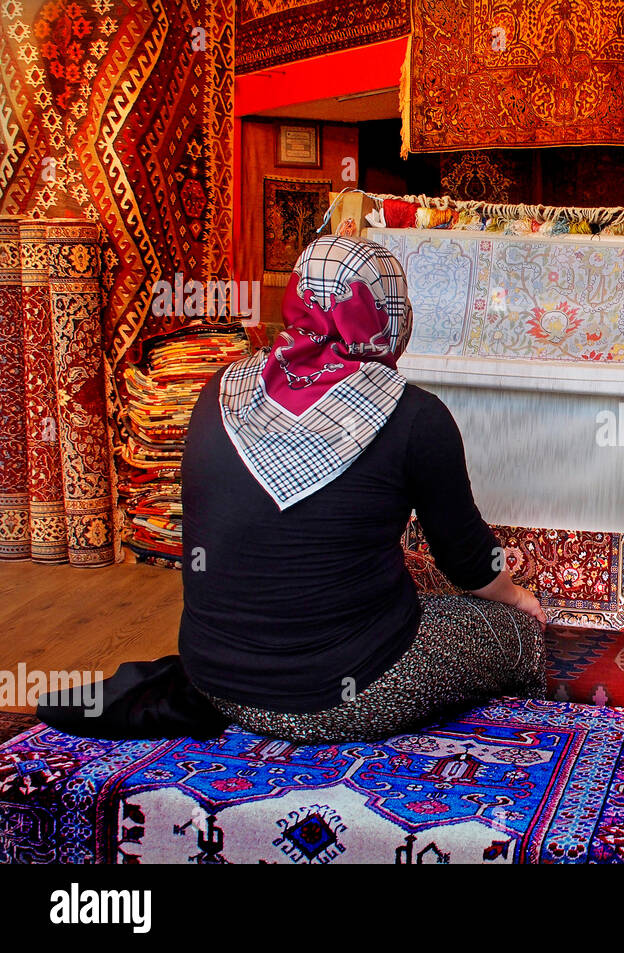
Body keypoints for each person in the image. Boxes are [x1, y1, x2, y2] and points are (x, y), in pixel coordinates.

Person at [177, 235, 546, 743]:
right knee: (512, 633)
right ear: (386, 316)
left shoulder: (220, 391)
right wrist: (517, 598)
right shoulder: (414, 415)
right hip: (345, 697)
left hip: (214, 681)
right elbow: (467, 562)